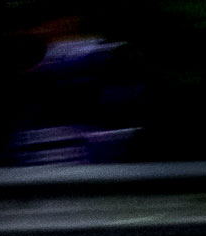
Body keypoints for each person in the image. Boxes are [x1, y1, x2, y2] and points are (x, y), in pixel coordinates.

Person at [11, 17, 139, 166]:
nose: (39, 30)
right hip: (49, 147)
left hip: (84, 145)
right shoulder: (42, 61)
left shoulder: (99, 55)